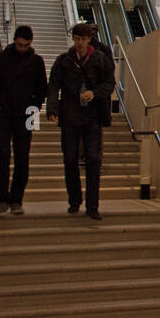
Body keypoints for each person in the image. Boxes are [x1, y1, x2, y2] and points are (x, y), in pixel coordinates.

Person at [47, 22, 115, 220]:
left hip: (93, 116)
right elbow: (53, 84)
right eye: (77, 39)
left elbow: (110, 82)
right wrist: (52, 108)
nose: (80, 43)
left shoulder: (99, 59)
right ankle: (74, 200)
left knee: (93, 159)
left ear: (89, 40)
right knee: (69, 159)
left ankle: (93, 206)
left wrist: (95, 93)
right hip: (69, 115)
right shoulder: (64, 60)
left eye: (83, 40)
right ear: (73, 39)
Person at [0, 25, 47, 216]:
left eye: (25, 45)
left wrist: (35, 110)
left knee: (22, 157)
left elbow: (42, 89)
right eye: (19, 45)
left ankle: (16, 199)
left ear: (30, 43)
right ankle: (2, 198)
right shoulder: (1, 59)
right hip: (4, 113)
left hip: (27, 113)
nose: (22, 48)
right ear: (14, 40)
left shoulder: (36, 61)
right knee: (2, 156)